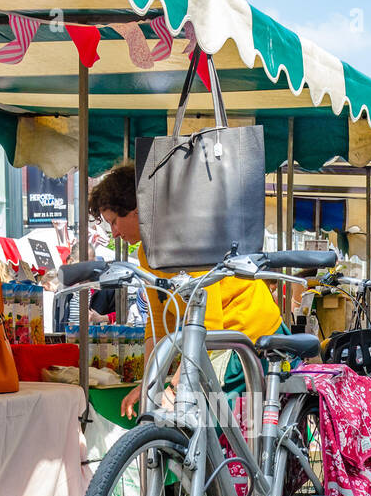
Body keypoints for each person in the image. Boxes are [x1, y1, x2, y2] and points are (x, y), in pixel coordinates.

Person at [87, 163, 283, 420]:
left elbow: (207, 324)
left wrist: (172, 386)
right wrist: (148, 383)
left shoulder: (187, 241)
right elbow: (157, 324)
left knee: (224, 430)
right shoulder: (146, 253)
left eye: (115, 221)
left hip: (248, 338)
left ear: (136, 210)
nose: (113, 232)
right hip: (212, 340)